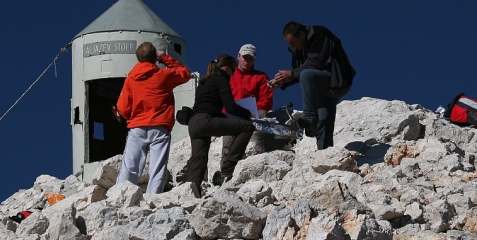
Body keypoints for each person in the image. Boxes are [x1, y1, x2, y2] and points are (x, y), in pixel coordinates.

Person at [115, 41, 191, 194]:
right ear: (154, 57)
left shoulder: (131, 79)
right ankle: (153, 198)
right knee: (157, 168)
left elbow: (122, 108)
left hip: (137, 127)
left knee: (131, 166)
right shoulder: (163, 76)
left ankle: (120, 196)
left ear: (138, 58)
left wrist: (133, 115)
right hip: (160, 127)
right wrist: (165, 58)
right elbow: (184, 73)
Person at [270, 22, 356, 150]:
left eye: (293, 42)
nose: (293, 46)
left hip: (337, 80)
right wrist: (283, 81)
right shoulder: (298, 49)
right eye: (290, 44)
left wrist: (292, 74)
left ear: (302, 34)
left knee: (306, 75)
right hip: (322, 86)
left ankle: (309, 118)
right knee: (323, 121)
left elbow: (315, 63)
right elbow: (298, 72)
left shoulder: (320, 34)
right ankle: (325, 155)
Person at [186, 54, 256, 198]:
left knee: (198, 159)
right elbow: (230, 106)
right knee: (247, 127)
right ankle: (229, 165)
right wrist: (248, 113)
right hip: (206, 121)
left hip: (194, 123)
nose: (232, 74)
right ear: (226, 68)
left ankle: (191, 194)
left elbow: (208, 104)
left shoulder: (204, 82)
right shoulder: (221, 79)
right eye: (232, 70)